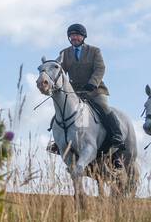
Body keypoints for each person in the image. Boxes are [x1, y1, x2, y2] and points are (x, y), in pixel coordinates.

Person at [49, 23, 127, 162]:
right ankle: (58, 142)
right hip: (75, 93)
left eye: (77, 35)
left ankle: (117, 135)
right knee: (60, 113)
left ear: (83, 37)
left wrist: (92, 83)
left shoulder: (94, 51)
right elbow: (58, 69)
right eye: (72, 35)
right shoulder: (64, 53)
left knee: (104, 108)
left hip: (95, 90)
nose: (74, 37)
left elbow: (100, 68)